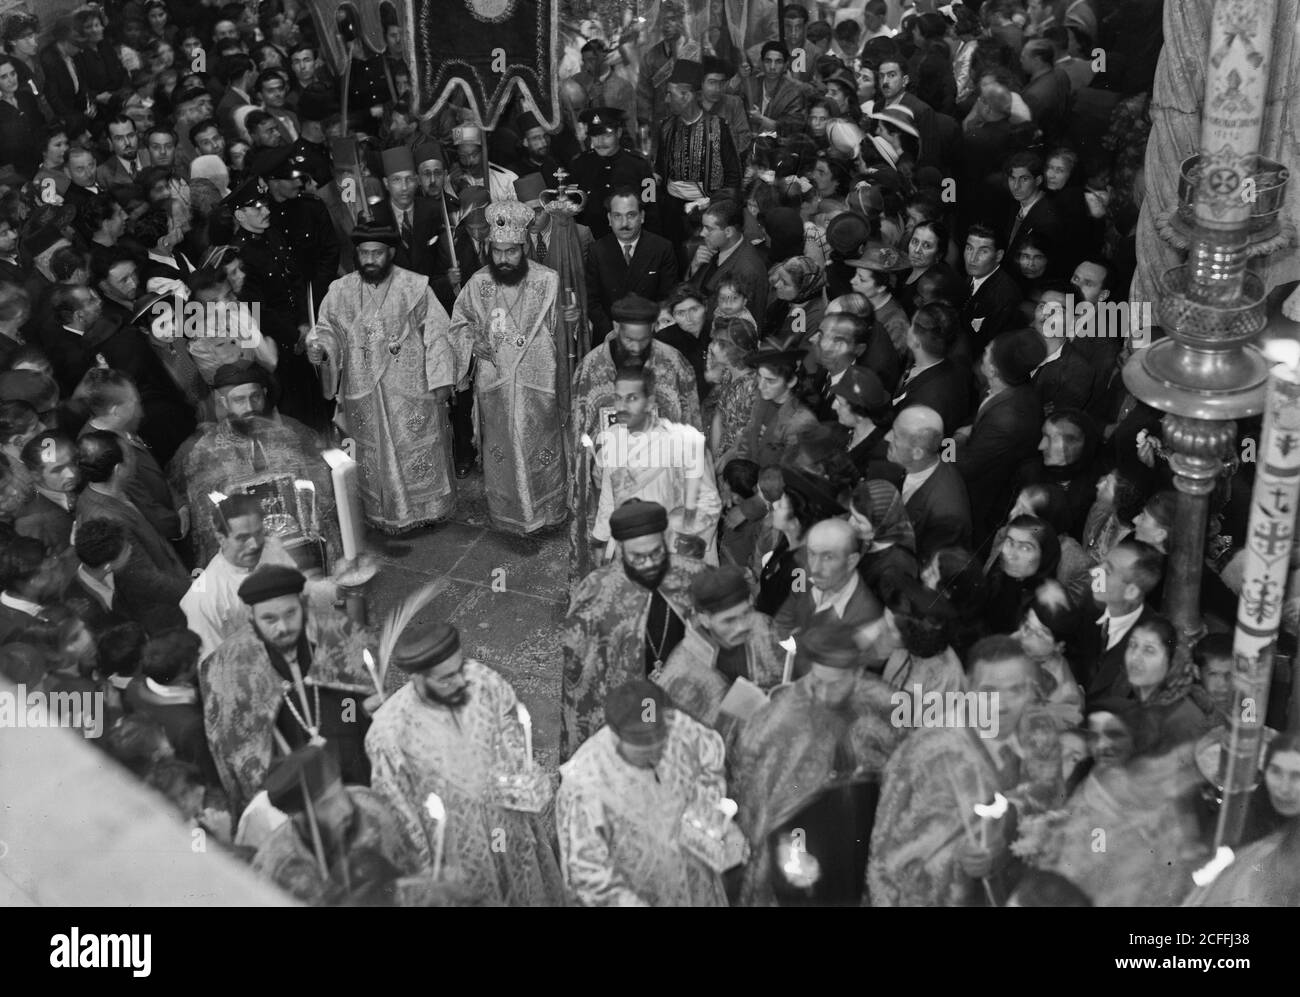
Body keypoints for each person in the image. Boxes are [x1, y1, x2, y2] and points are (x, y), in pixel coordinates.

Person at [365, 621, 565, 906]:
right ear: (418, 678)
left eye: (460, 668)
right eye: (446, 678)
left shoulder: (483, 681)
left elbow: (512, 735)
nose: (461, 681)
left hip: (508, 824)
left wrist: (523, 774)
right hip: (457, 852)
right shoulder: (390, 734)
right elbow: (400, 815)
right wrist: (428, 877)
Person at [869, 636, 1049, 906]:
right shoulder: (927, 754)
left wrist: (1006, 831)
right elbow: (886, 863)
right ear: (968, 687)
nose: (1002, 705)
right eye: (989, 691)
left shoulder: (1039, 737)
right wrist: (957, 857)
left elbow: (1046, 804)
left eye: (1016, 690)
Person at [731, 622, 900, 906]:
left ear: (857, 673)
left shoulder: (883, 704)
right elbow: (760, 797)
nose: (821, 693)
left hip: (861, 834)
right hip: (803, 838)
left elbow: (900, 771)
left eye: (833, 683)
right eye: (816, 680)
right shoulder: (781, 720)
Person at [306, 223, 458, 534]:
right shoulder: (340, 290)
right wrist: (319, 347)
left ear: (390, 253)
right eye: (364, 253)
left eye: (377, 253)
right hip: (363, 388)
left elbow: (439, 333)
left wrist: (441, 379)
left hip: (412, 387)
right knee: (372, 449)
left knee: (414, 447)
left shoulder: (414, 286)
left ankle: (424, 508)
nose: (370, 259)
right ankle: (382, 511)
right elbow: (327, 329)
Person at [199, 565, 375, 817]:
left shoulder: (335, 635)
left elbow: (352, 701)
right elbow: (240, 750)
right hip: (295, 786)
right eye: (269, 619)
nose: (282, 627)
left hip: (349, 766)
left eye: (290, 613)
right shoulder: (230, 669)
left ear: (303, 604)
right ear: (251, 617)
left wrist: (354, 715)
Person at [447, 199, 568, 535]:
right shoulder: (477, 283)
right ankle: (507, 515)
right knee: (502, 452)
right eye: (497, 251)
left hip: (538, 385)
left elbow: (566, 333)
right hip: (495, 384)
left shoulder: (548, 282)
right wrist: (472, 342)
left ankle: (549, 511)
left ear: (524, 246)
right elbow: (458, 325)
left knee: (539, 449)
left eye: (510, 251)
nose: (503, 258)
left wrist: (574, 324)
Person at [557, 679, 729, 906]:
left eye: (659, 744)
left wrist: (702, 816)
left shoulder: (673, 727)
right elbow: (587, 874)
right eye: (644, 752)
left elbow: (712, 756)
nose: (657, 757)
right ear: (616, 738)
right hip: (634, 892)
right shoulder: (584, 785)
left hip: (691, 883)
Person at [560, 500, 706, 760]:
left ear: (666, 540)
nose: (649, 563)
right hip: (626, 705)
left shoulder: (691, 576)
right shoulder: (596, 592)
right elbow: (582, 674)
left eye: (656, 553)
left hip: (680, 698)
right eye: (637, 557)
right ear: (621, 551)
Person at [171, 361, 340, 568]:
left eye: (255, 397)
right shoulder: (204, 452)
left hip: (300, 551)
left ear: (265, 393)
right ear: (223, 402)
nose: (249, 407)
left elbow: (322, 490)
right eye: (239, 400)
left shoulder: (292, 433)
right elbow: (205, 523)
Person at [252, 744, 423, 906]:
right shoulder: (274, 867)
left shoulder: (372, 811)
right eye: (327, 804)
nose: (345, 808)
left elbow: (415, 882)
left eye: (341, 791)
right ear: (298, 817)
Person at [592, 366, 722, 562]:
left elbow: (709, 503)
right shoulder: (613, 439)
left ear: (650, 402)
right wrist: (600, 540)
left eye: (632, 398)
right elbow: (610, 498)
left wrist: (678, 539)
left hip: (671, 551)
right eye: (618, 398)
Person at [653, 565, 785, 733]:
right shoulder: (680, 673)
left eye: (746, 614)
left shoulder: (762, 625)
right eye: (728, 621)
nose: (741, 627)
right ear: (705, 619)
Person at [955, 329, 1047, 547]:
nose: (984, 350)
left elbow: (964, 466)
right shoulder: (1006, 386)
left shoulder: (1006, 420)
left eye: (988, 351)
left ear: (993, 370)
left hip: (981, 501)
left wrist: (953, 440)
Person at [657, 64, 741, 255]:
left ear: (687, 95)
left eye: (671, 94)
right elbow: (659, 169)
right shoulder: (666, 127)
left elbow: (733, 175)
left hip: (706, 212)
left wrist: (723, 210)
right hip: (671, 210)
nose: (666, 99)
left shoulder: (717, 127)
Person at [586, 188, 678, 339]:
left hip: (651, 332)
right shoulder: (597, 250)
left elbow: (667, 297)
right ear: (609, 219)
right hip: (610, 334)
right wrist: (609, 331)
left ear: (642, 217)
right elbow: (591, 300)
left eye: (631, 215)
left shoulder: (662, 248)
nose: (624, 223)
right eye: (617, 216)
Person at [891, 404, 973, 558]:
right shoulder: (917, 464)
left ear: (917, 452)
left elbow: (930, 567)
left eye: (895, 438)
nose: (888, 439)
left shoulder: (947, 515)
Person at [569, 108, 659, 240]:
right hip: (592, 243)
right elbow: (572, 206)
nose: (600, 143)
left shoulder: (639, 166)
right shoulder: (579, 165)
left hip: (629, 240)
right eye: (595, 136)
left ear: (619, 133)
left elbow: (651, 210)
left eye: (607, 136)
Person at [735, 349, 818, 468]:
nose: (761, 385)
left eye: (770, 380)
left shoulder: (801, 422)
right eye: (759, 376)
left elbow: (790, 472)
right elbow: (748, 437)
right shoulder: (761, 399)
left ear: (791, 382)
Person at [848, 479, 919, 599]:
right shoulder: (882, 534)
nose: (850, 522)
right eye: (851, 514)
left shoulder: (896, 570)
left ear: (880, 525)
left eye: (859, 521)